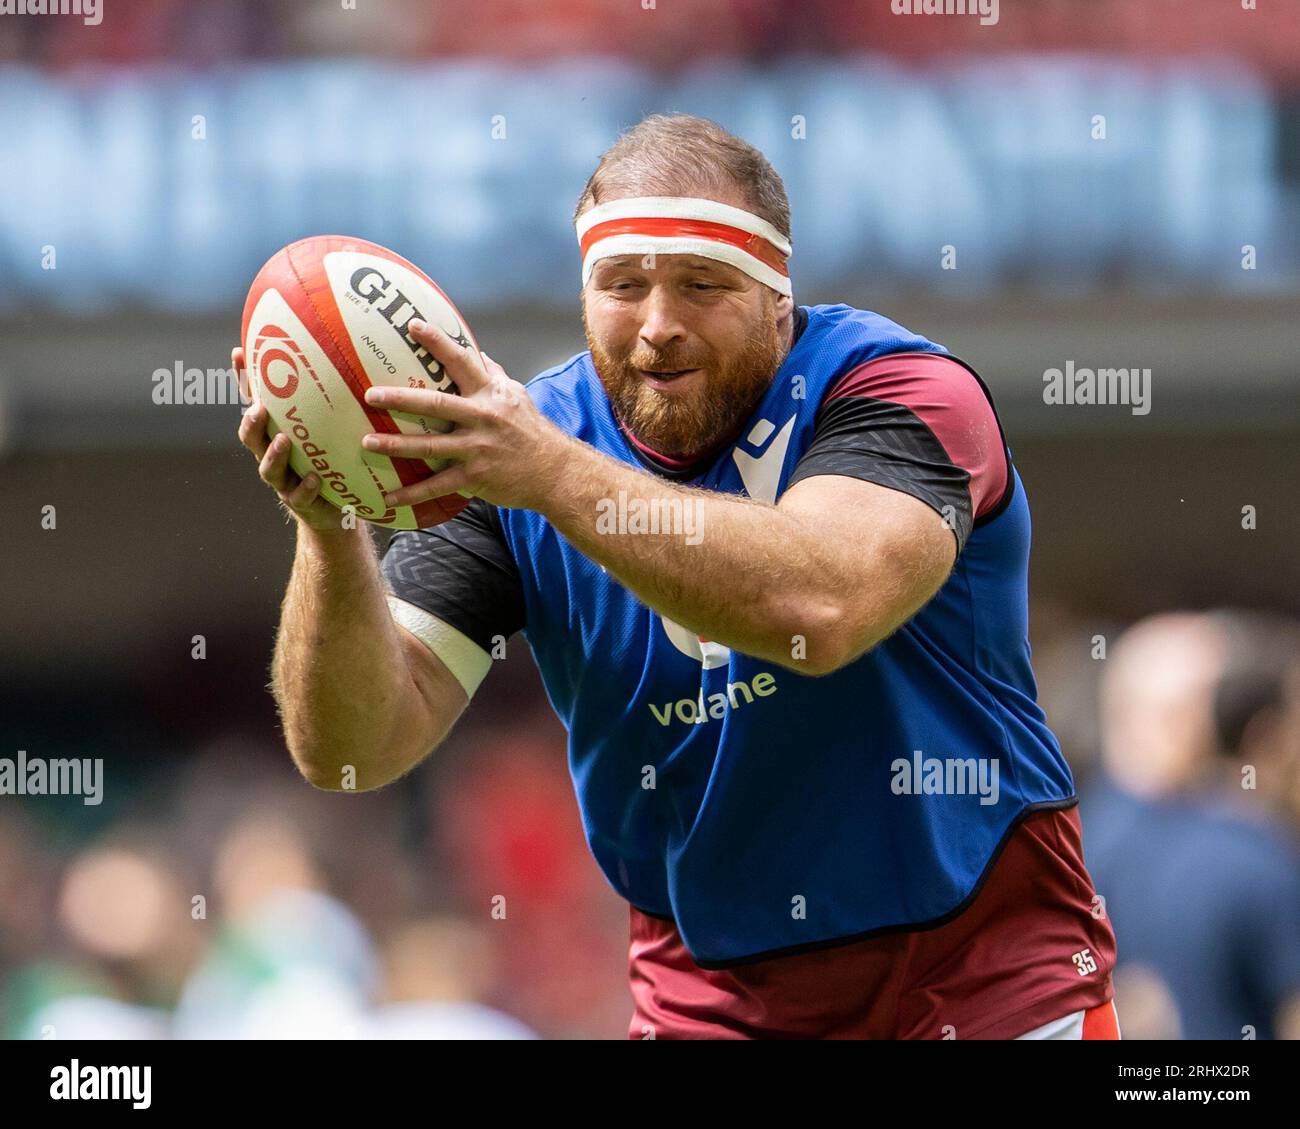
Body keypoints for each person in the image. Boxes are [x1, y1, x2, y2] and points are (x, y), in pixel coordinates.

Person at [234, 114, 1117, 1040]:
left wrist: (549, 474)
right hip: (710, 1006)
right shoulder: (520, 453)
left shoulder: (898, 392)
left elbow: (820, 608)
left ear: (779, 296)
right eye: (623, 285)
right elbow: (354, 748)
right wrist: (328, 527)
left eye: (702, 284)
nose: (657, 326)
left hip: (982, 988)